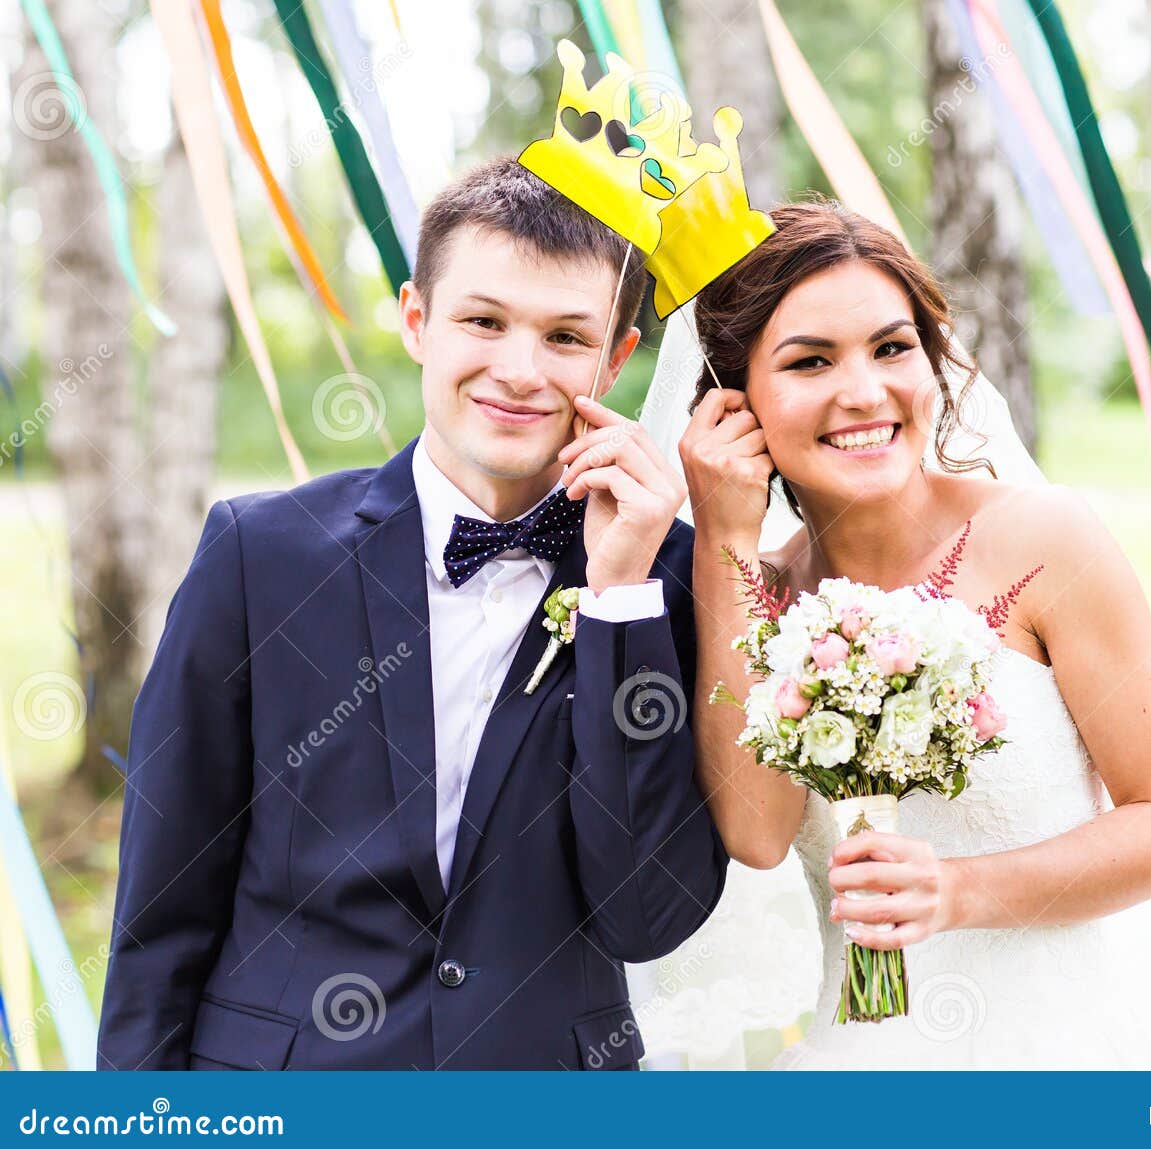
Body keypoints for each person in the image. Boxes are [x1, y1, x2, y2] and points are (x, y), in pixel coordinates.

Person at [671, 199, 1151, 1068]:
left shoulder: (1046, 542)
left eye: (892, 346)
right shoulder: (748, 594)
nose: (865, 391)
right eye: (809, 361)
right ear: (734, 402)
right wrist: (723, 536)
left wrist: (957, 890)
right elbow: (757, 835)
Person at [98, 157, 726, 1070]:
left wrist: (616, 595)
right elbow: (161, 913)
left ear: (616, 356)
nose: (518, 370)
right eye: (483, 321)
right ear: (417, 319)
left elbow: (648, 913)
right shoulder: (257, 555)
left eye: (563, 336)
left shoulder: (665, 579)